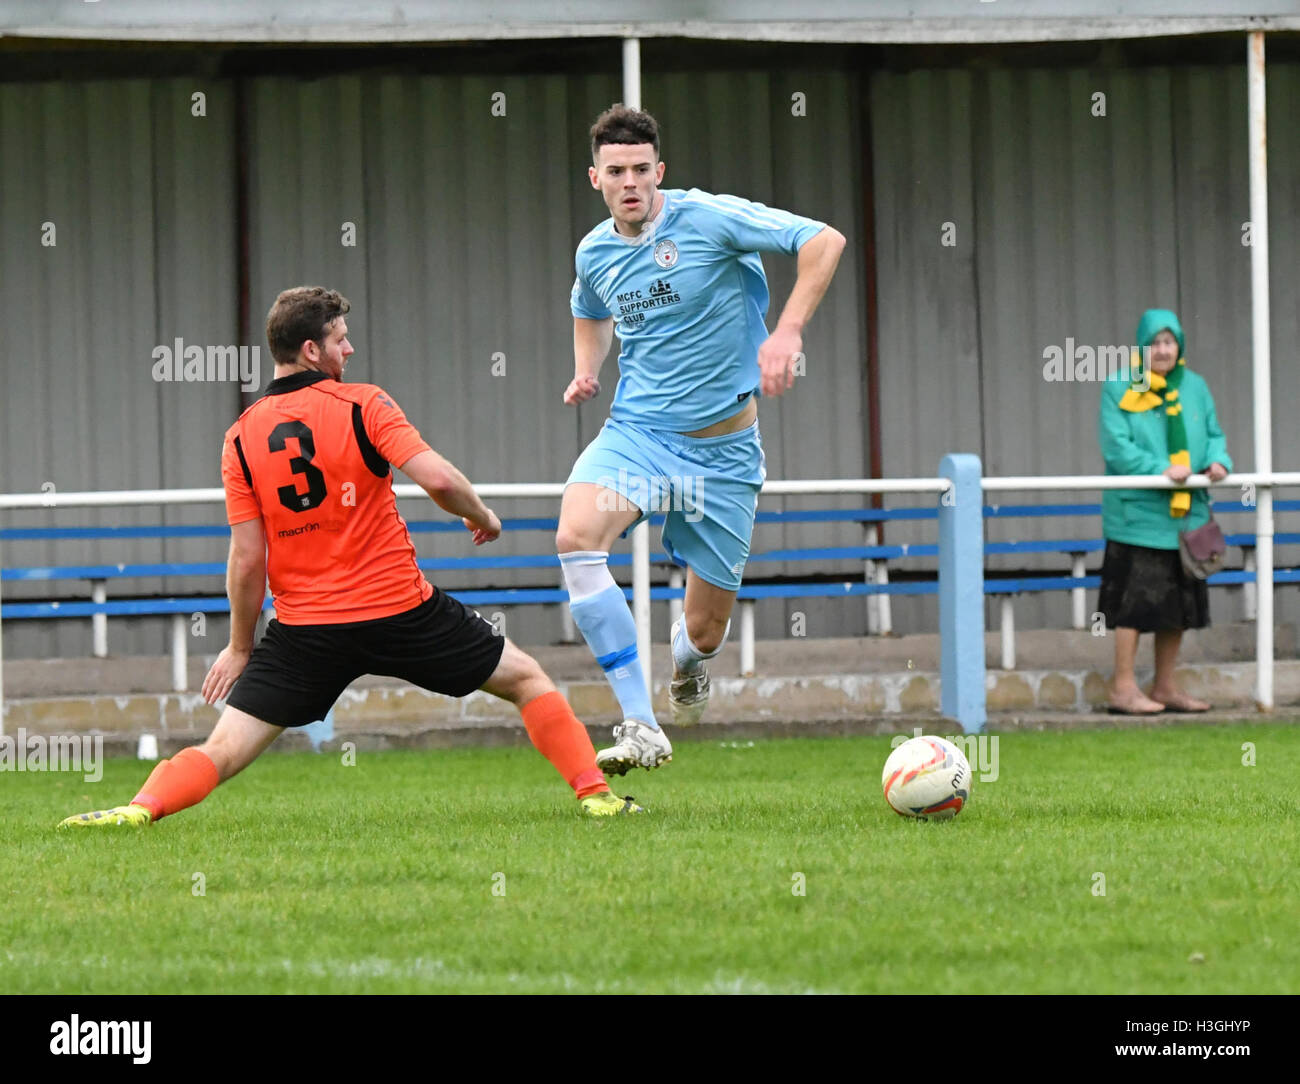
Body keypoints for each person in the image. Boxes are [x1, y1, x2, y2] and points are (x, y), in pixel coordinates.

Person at [60, 286, 642, 827]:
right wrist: (482, 515)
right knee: (527, 680)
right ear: (312, 349)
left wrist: (241, 646)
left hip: (307, 630)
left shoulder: (240, 436)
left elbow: (245, 559)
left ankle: (140, 809)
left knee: (224, 748)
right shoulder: (363, 403)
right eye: (341, 338)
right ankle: (597, 798)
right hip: (401, 612)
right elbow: (437, 478)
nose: (350, 347)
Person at [559, 104, 846, 774]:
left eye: (640, 169)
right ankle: (640, 723)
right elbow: (588, 309)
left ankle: (687, 660)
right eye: (615, 171)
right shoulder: (595, 250)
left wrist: (789, 331)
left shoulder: (710, 218)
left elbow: (823, 241)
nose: (629, 181)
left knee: (706, 632)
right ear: (594, 178)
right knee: (575, 538)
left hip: (723, 454)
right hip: (639, 436)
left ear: (659, 172)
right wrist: (585, 369)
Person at [1098, 308, 1232, 714]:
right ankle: (1122, 689)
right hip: (1137, 517)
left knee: (1179, 606)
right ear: (1141, 346)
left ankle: (1165, 687)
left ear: (1180, 346)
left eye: (1169, 342)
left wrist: (1218, 461)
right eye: (1154, 342)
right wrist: (1160, 470)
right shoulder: (1119, 384)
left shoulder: (1196, 386)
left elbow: (1212, 434)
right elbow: (1116, 447)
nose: (1162, 350)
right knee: (1131, 606)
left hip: (1186, 517)